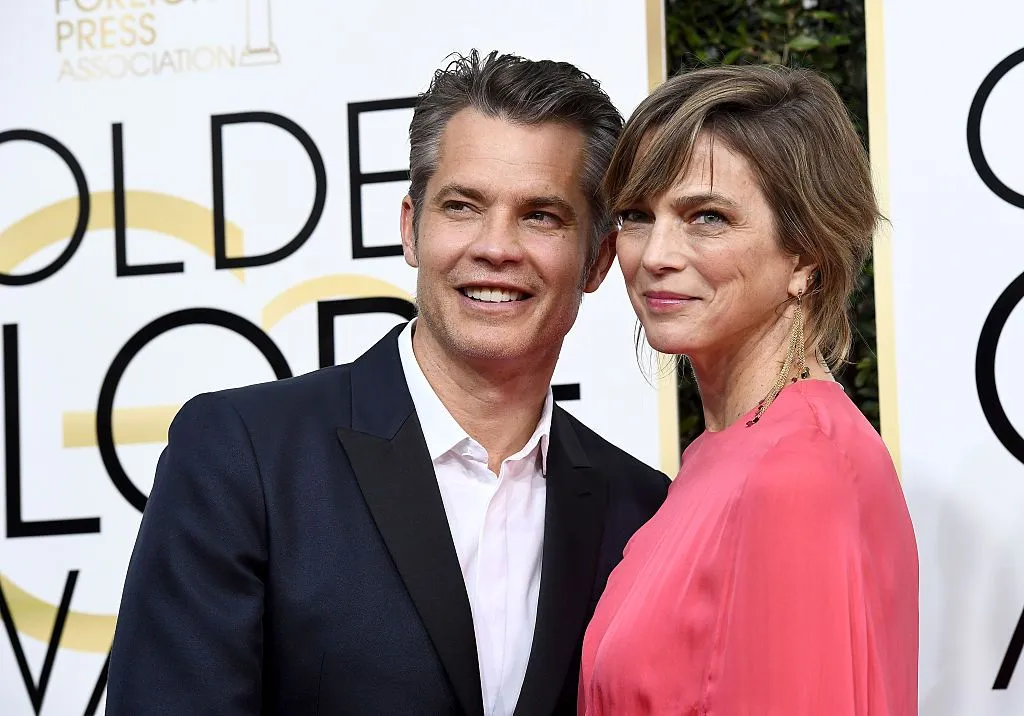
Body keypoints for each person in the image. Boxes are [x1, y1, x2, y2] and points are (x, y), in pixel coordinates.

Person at [104, 50, 669, 716]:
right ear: (411, 228)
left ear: (598, 258)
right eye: (462, 206)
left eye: (541, 216)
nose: (496, 247)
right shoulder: (244, 457)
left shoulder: (644, 512)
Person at [578, 64, 919, 715]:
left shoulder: (795, 476)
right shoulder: (732, 451)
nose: (655, 255)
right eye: (636, 215)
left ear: (806, 257)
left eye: (706, 217)